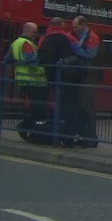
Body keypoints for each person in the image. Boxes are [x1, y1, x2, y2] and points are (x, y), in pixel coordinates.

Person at [37, 17, 89, 146]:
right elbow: (81, 54)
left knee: (58, 106)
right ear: (61, 24)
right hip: (69, 78)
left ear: (50, 25)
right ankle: (68, 138)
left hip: (52, 78)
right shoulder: (69, 37)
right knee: (70, 107)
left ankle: (55, 135)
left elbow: (38, 57)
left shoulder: (44, 38)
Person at [8, 22, 47, 139]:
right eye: (34, 32)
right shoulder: (26, 44)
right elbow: (30, 60)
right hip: (34, 81)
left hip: (22, 80)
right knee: (38, 109)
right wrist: (41, 57)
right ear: (27, 31)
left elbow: (7, 60)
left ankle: (29, 129)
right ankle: (33, 131)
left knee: (33, 108)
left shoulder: (15, 43)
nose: (36, 34)